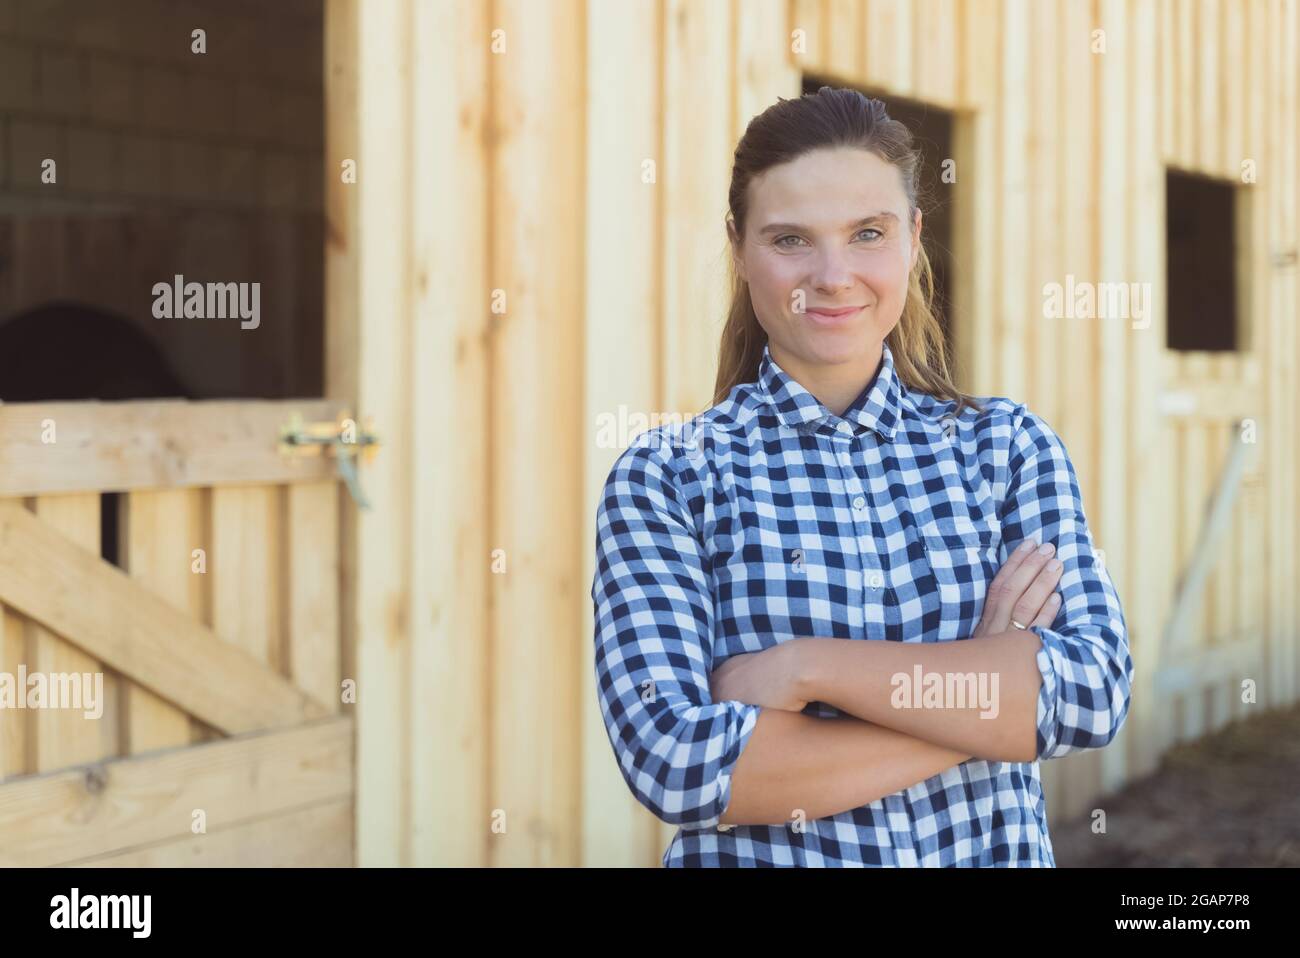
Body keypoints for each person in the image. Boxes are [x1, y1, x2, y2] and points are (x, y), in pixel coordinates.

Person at [590, 87, 1133, 867]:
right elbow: (679, 765)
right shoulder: (668, 480)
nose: (833, 275)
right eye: (790, 241)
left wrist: (807, 671)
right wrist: (983, 700)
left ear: (912, 238)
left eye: (867, 233)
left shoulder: (1007, 450)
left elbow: (1089, 691)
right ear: (739, 247)